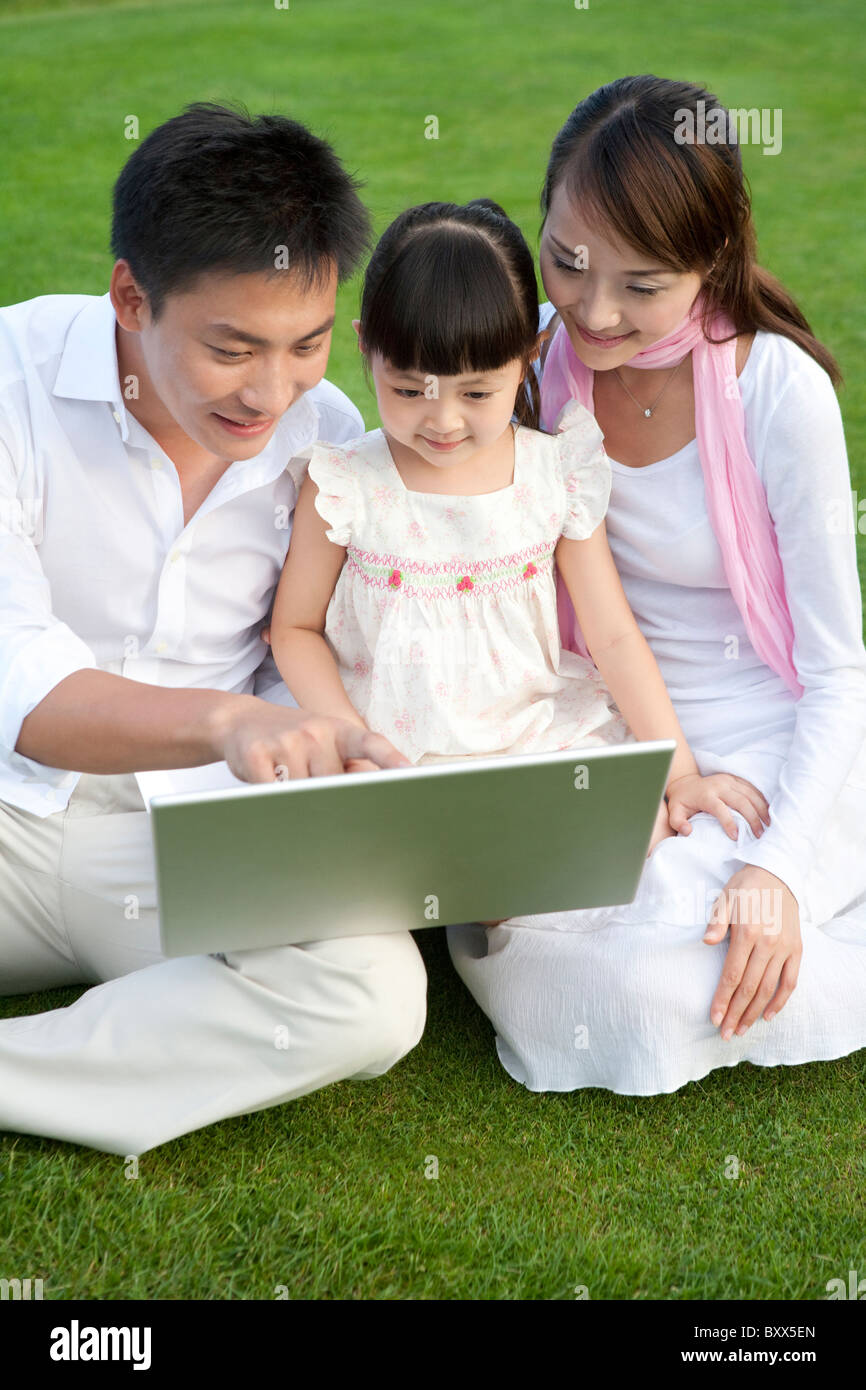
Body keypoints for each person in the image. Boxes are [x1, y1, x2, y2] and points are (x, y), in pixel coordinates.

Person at [0, 102, 426, 1158]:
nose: (272, 392)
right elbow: (27, 692)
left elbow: (305, 646)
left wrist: (322, 745)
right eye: (232, 347)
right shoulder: (9, 381)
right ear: (130, 294)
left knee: (371, 992)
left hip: (178, 842)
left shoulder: (321, 434)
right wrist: (227, 722)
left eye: (308, 345)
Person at [447, 76, 866, 1095]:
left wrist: (775, 866)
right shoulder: (534, 360)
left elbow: (835, 669)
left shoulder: (776, 392)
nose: (591, 309)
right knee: (559, 926)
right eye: (566, 261)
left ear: (711, 259)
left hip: (767, 726)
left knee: (702, 933)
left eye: (640, 286)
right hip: (603, 717)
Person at [265, 197, 773, 865]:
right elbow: (294, 628)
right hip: (391, 751)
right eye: (410, 389)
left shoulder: (553, 471)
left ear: (531, 353)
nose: (442, 420)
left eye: (477, 393)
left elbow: (613, 634)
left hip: (532, 742)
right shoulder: (345, 482)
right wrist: (349, 740)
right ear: (367, 348)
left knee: (639, 839)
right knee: (358, 865)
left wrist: (679, 774)